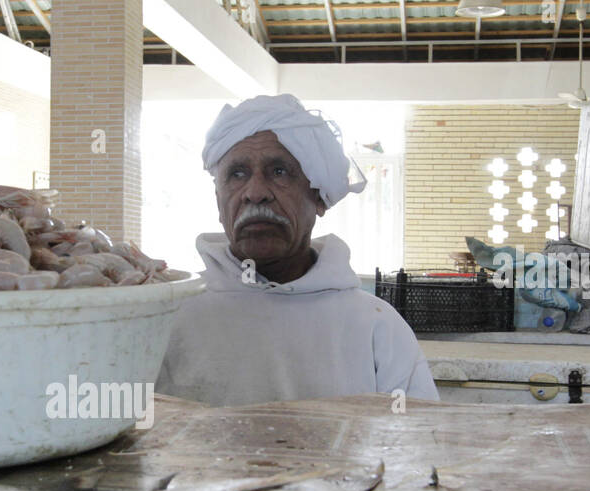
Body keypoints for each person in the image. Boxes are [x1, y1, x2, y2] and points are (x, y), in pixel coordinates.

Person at [156, 94, 439, 405]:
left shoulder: (375, 327)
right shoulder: (165, 316)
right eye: (237, 174)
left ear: (318, 196)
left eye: (279, 172)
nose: (255, 193)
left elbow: (416, 442)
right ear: (218, 199)